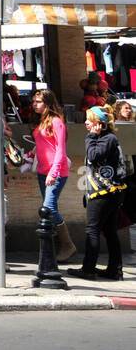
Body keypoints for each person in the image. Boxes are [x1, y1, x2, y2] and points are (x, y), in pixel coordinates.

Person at [68, 104, 128, 281]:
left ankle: (88, 269)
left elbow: (94, 156)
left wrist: (91, 137)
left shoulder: (105, 138)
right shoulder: (106, 138)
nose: (86, 122)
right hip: (109, 191)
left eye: (90, 120)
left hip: (104, 192)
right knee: (109, 230)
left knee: (92, 229)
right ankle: (114, 270)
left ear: (99, 123)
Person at [31, 89, 75, 262]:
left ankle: (67, 244)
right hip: (43, 171)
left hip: (55, 172)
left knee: (48, 208)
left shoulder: (57, 122)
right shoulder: (42, 121)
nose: (35, 104)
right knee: (48, 210)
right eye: (34, 101)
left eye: (39, 101)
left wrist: (53, 172)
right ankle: (54, 246)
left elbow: (60, 151)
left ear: (48, 103)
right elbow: (43, 146)